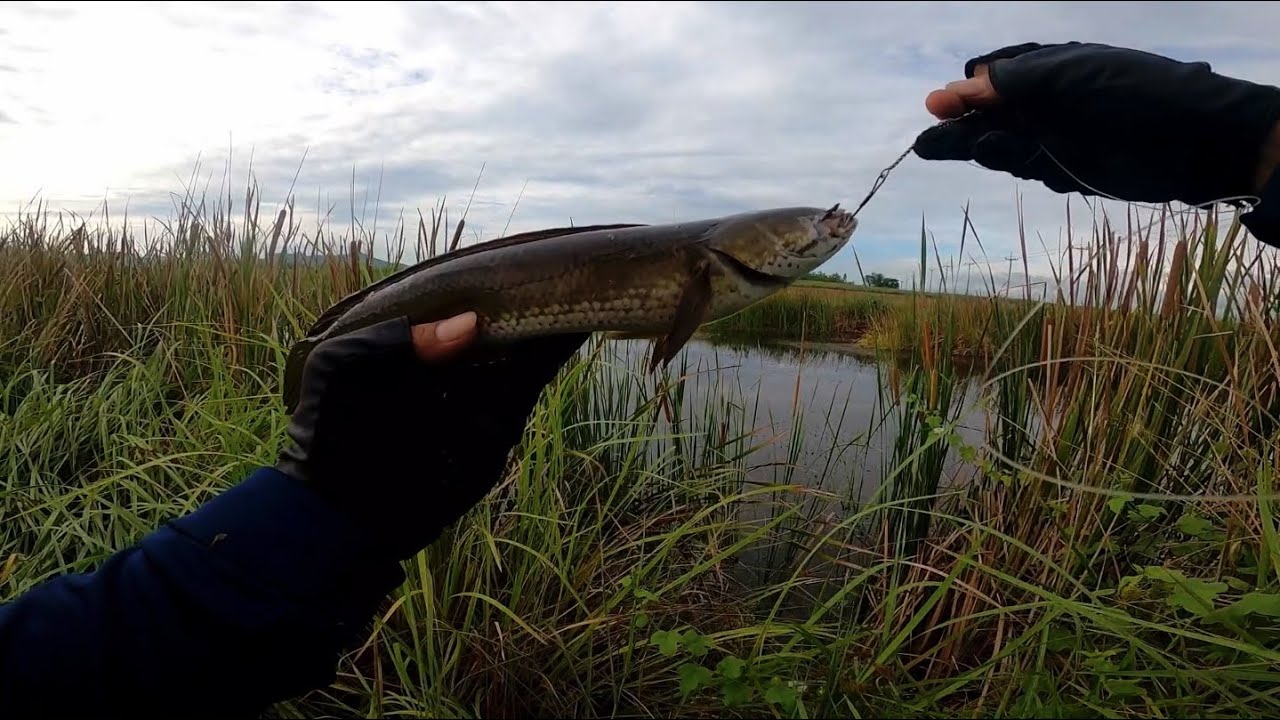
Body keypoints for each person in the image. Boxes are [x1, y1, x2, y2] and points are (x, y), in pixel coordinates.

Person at [1, 40, 1278, 717]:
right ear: (743, 252)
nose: (823, 239)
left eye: (817, 235)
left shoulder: (711, 268)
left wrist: (1255, 150)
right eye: (808, 236)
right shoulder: (702, 272)